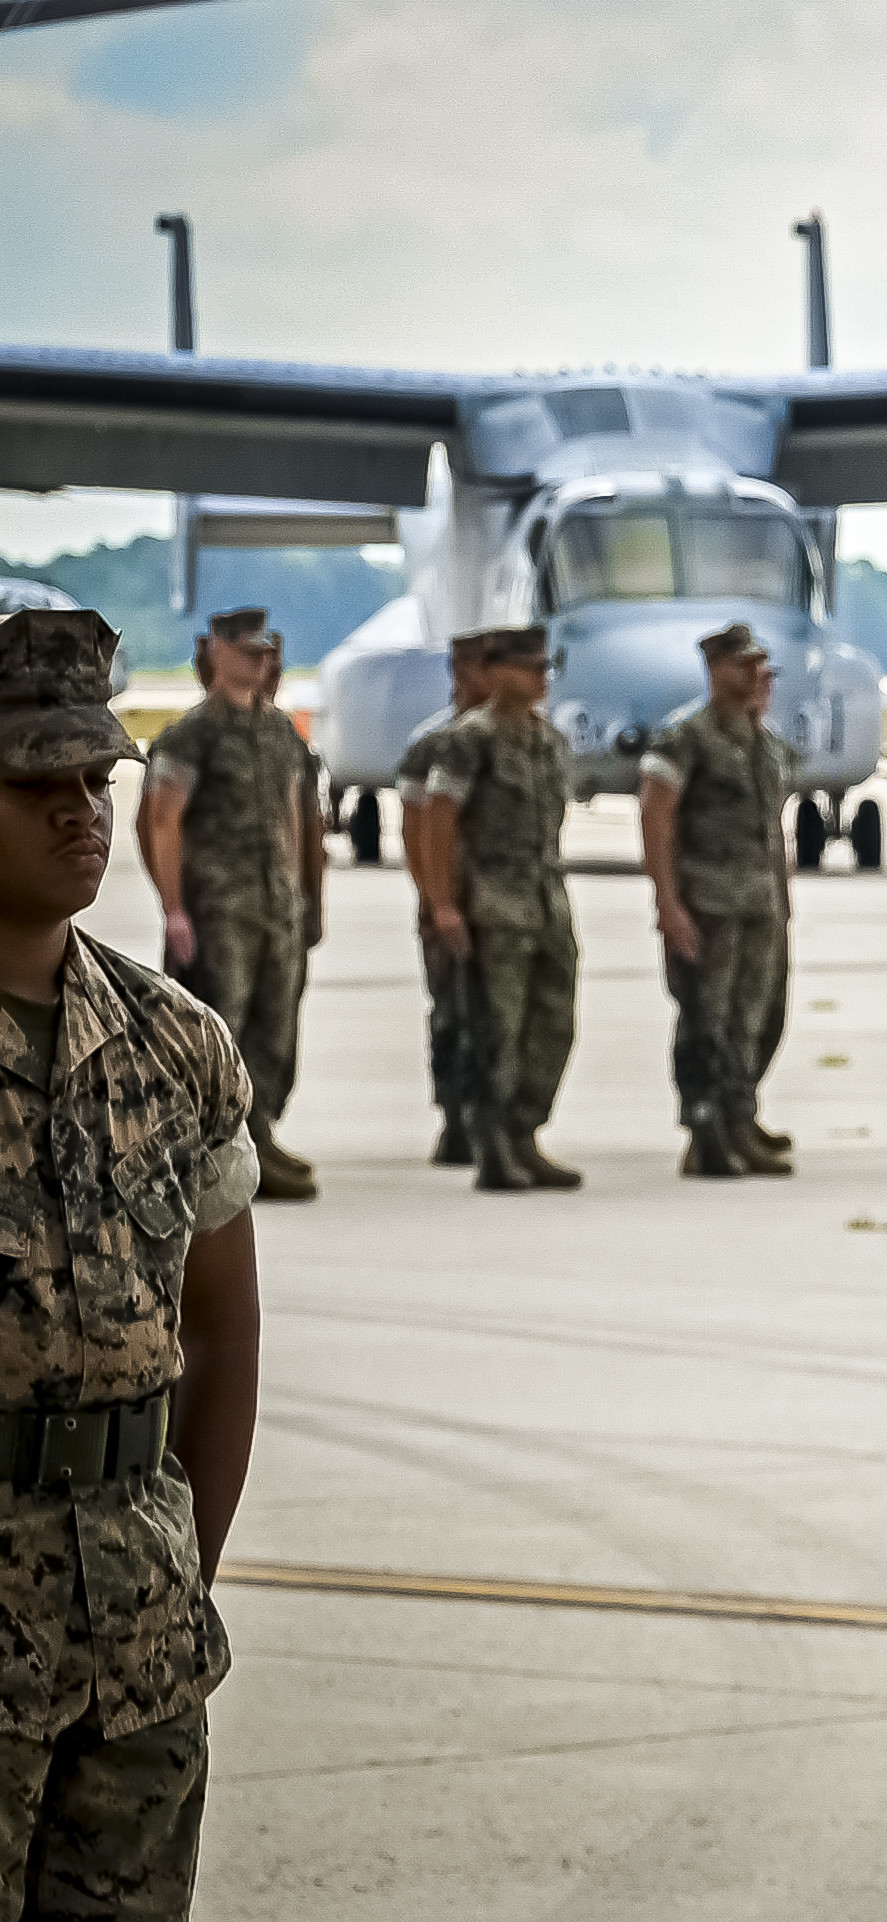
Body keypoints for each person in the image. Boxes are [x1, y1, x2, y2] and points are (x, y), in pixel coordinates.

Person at [0, 607, 262, 1921]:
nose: (78, 815)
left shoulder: (177, 1046)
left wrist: (179, 1567)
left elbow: (221, 1333)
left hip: (138, 1656)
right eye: (33, 786)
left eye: (93, 781)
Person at [142, 607, 325, 1201]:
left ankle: (261, 1132)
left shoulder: (279, 733)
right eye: (247, 651)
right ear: (215, 653)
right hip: (221, 909)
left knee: (277, 1027)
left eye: (266, 652)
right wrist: (174, 910)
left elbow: (302, 819)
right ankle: (222, 1149)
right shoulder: (190, 736)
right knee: (222, 1027)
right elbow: (161, 822)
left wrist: (310, 899)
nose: (260, 662)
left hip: (278, 908)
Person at [424, 625, 583, 1192]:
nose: (541, 677)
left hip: (546, 904)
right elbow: (439, 820)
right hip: (492, 907)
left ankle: (525, 1133)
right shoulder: (470, 740)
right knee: (497, 1029)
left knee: (554, 1024)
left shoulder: (551, 741)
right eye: (529, 668)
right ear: (495, 675)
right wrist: (444, 905)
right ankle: (493, 1145)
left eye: (545, 668)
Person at [641, 622, 799, 1179]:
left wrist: (784, 899)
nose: (757, 674)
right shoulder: (686, 739)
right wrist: (667, 901)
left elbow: (773, 829)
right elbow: (656, 817)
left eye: (760, 664)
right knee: (706, 1020)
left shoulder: (763, 744)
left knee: (752, 1020)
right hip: (708, 902)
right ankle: (705, 1129)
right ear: (715, 670)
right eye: (744, 665)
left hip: (759, 906)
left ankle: (738, 1120)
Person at [394, 629, 491, 1165]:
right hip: (450, 902)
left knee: (501, 1016)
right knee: (454, 1013)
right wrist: (437, 901)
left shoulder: (508, 738)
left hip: (504, 904)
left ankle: (495, 1116)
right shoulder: (433, 745)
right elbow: (414, 830)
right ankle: (456, 1118)